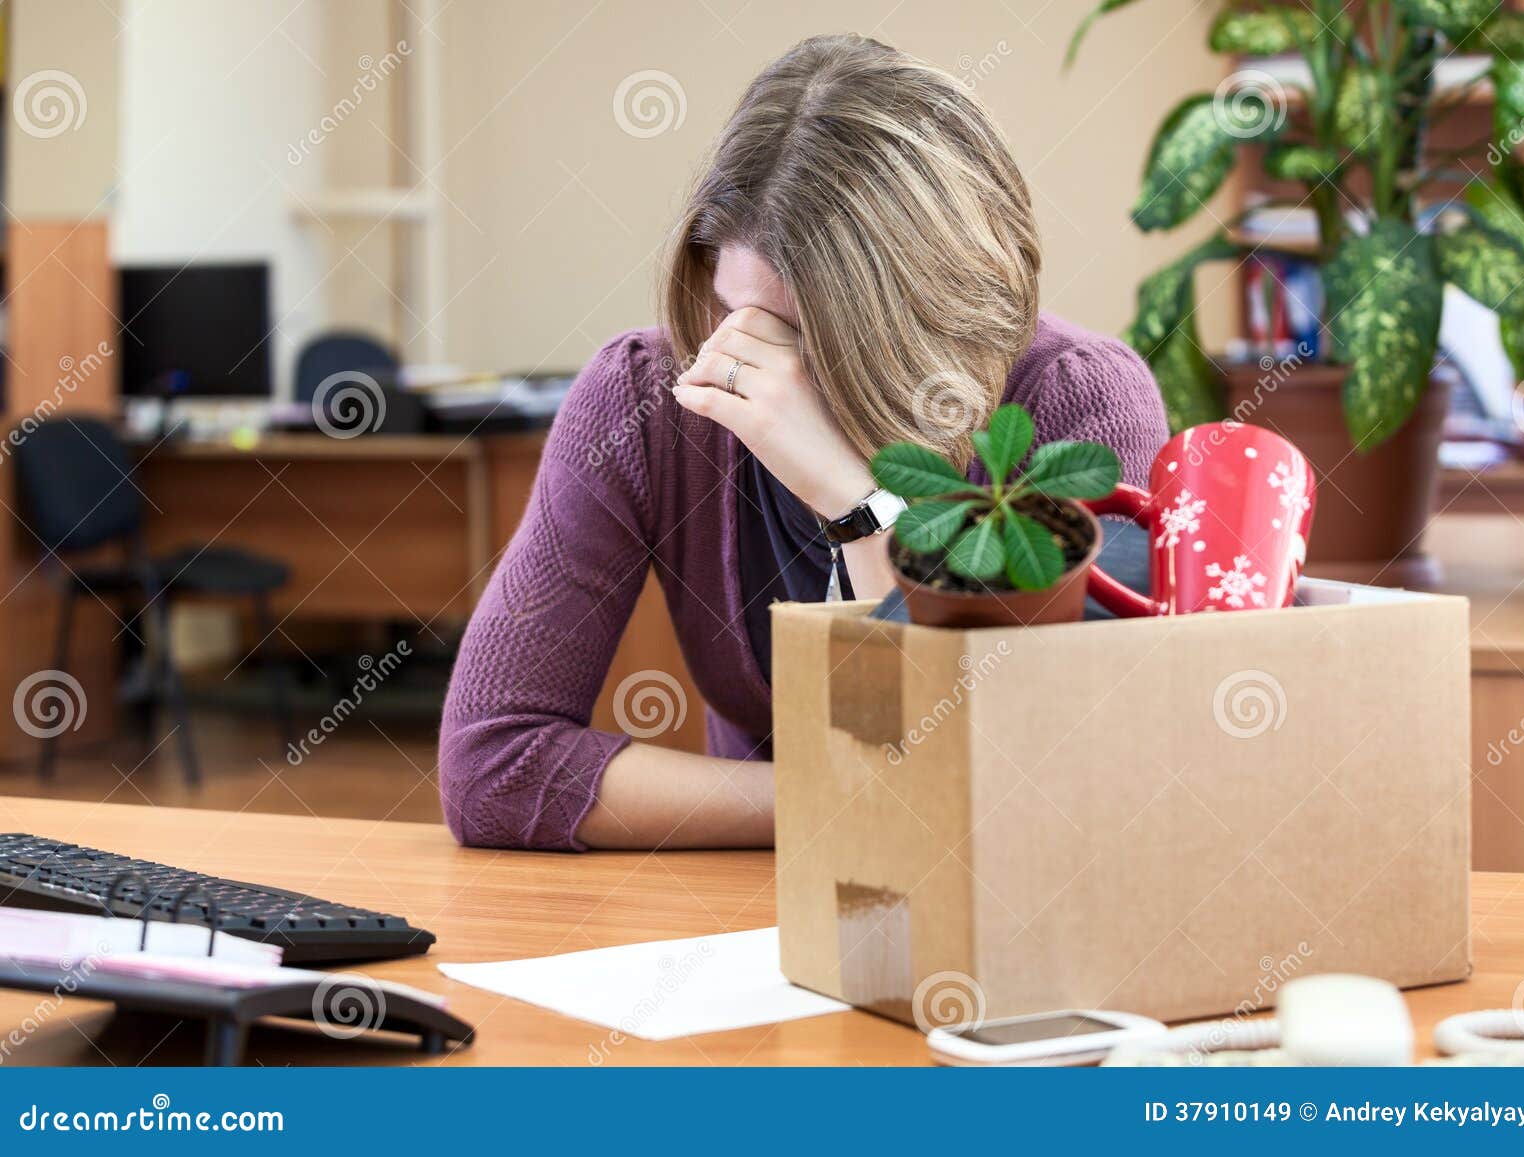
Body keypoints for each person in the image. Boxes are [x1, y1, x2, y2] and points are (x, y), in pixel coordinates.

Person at [439, 34, 1168, 851]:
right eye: (732, 311)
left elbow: (1044, 778)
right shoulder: (647, 399)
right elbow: (493, 768)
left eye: (801, 335)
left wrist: (858, 507)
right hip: (752, 894)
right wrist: (835, 798)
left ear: (931, 317)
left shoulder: (1079, 399)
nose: (753, 361)